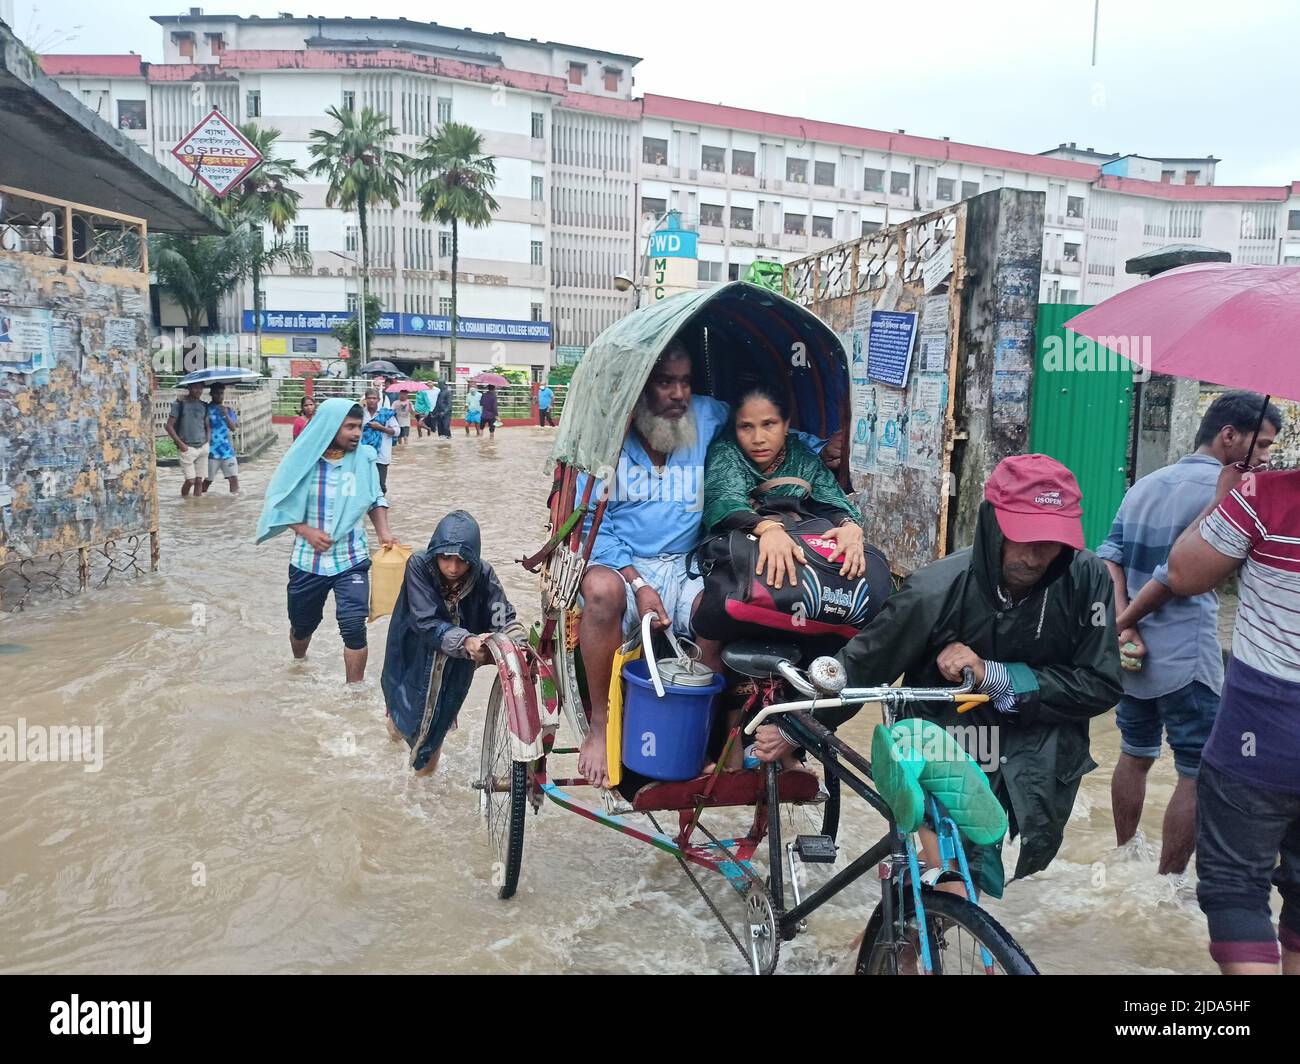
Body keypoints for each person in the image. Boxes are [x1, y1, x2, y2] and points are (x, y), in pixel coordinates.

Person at [755, 454, 1124, 897]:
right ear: (993, 525)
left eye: (1049, 543)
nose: (1034, 557)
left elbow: (1101, 683)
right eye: (1022, 538)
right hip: (946, 739)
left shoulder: (1087, 580)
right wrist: (797, 731)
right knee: (954, 883)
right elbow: (863, 666)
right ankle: (891, 942)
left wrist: (996, 675)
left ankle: (892, 936)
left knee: (968, 885)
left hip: (1038, 742)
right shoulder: (934, 590)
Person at [1128, 455, 1300, 975]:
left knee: (1236, 890)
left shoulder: (1265, 496)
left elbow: (1183, 573)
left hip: (1263, 733)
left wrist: (1225, 496)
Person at [1097, 391, 1281, 876]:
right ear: (1229, 436)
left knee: (1134, 756)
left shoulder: (1144, 484)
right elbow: (1178, 573)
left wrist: (1124, 624)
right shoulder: (1236, 496)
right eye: (1260, 445)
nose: (1264, 458)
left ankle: (1123, 858)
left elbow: (1109, 556)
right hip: (1189, 655)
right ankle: (1167, 884)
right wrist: (1127, 620)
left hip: (1133, 657)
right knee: (1197, 773)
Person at [575, 345, 731, 788]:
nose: (680, 393)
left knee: (719, 607)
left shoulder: (704, 415)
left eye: (686, 382)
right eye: (666, 382)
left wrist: (822, 446)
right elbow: (590, 526)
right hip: (620, 562)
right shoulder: (609, 442)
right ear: (639, 391)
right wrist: (638, 582)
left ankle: (703, 736)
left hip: (685, 565)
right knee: (603, 595)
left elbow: (762, 422)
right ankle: (600, 724)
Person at [702, 380, 867, 770]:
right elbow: (723, 503)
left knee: (826, 628)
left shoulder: (801, 457)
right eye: (747, 427)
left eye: (769, 425)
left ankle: (792, 743)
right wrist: (767, 529)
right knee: (714, 626)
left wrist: (849, 526)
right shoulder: (725, 453)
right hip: (735, 567)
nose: (758, 438)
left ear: (786, 423)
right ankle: (713, 749)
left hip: (794, 569)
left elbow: (833, 499)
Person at [255, 398, 397, 684]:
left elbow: (374, 498)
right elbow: (278, 502)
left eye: (359, 426)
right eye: (350, 427)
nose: (357, 433)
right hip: (307, 562)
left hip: (351, 559)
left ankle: (353, 692)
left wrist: (383, 532)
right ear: (331, 428)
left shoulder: (365, 458)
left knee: (354, 625)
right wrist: (305, 530)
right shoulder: (303, 461)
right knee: (302, 625)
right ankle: (299, 665)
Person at [382, 510, 524, 776]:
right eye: (446, 557)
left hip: (454, 669)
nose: (453, 568)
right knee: (399, 720)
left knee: (436, 731)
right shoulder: (418, 566)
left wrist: (514, 642)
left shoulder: (483, 575)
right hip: (413, 655)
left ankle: (419, 793)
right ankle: (397, 745)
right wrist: (467, 640)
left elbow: (502, 617)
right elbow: (427, 623)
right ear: (435, 552)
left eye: (462, 560)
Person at [166, 382, 210, 498]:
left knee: (199, 480)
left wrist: (208, 441)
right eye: (195, 387)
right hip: (187, 447)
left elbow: (207, 425)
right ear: (189, 388)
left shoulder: (204, 405)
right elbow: (169, 426)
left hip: (203, 446)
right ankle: (184, 501)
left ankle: (195, 508)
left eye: (201, 388)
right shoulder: (179, 404)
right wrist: (180, 444)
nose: (198, 391)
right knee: (191, 480)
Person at [202, 383, 240, 495]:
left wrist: (226, 415)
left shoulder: (228, 410)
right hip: (211, 451)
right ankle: (199, 500)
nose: (219, 396)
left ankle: (235, 502)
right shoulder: (206, 409)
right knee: (208, 480)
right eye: (216, 393)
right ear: (211, 394)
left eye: (221, 393)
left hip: (227, 451)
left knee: (233, 479)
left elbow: (233, 428)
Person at [360, 389, 398, 493]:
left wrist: (381, 428)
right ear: (365, 399)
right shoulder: (360, 414)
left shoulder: (386, 414)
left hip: (381, 455)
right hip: (364, 454)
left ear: (379, 400)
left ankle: (380, 506)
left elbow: (397, 431)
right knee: (365, 483)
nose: (371, 400)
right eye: (369, 398)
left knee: (381, 485)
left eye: (374, 398)